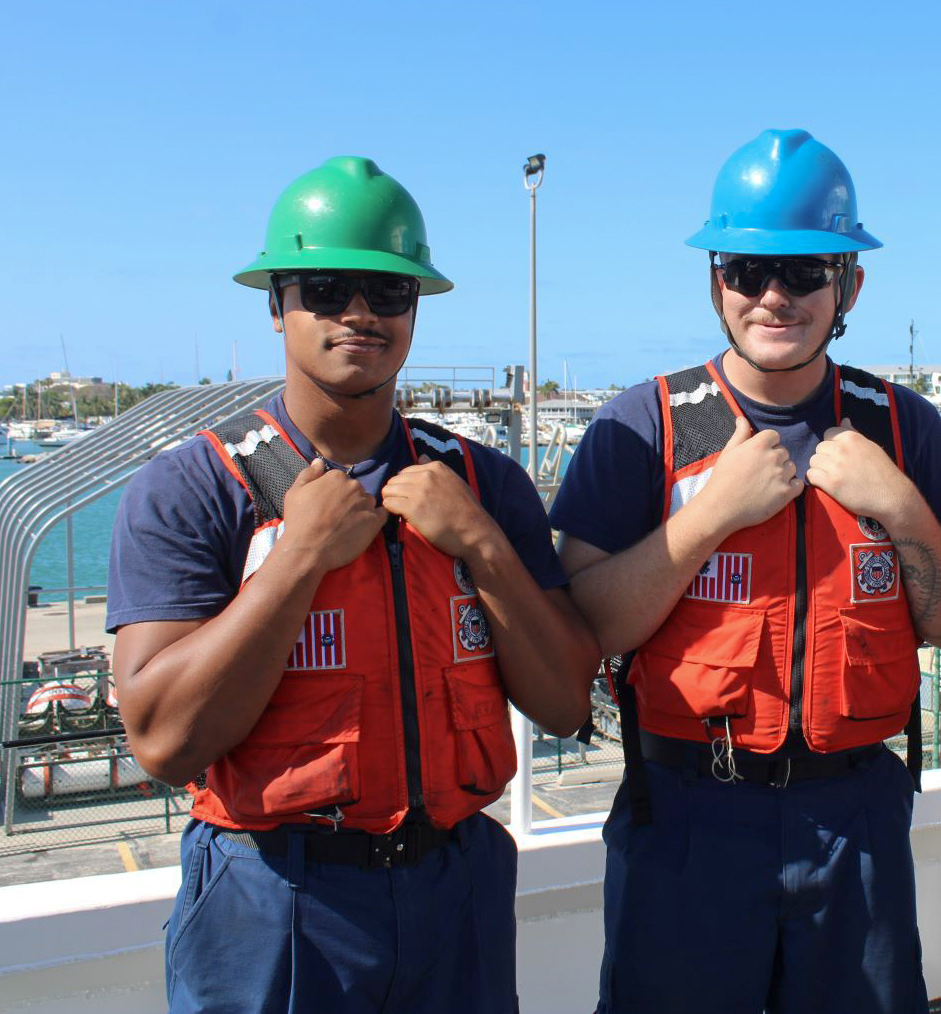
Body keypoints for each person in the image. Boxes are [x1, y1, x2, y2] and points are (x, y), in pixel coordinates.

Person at [107, 155, 600, 1014]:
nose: (361, 314)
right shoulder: (194, 489)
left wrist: (481, 543)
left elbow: (562, 703)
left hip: (456, 886)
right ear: (276, 304)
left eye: (390, 292)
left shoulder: (483, 486)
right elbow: (162, 740)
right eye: (328, 289)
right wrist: (298, 559)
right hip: (272, 898)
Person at [550, 129, 941, 1014]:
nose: (772, 297)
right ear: (714, 280)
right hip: (684, 811)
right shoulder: (641, 428)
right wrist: (712, 514)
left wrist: (900, 505)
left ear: (848, 285)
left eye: (803, 273)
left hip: (854, 817)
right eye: (746, 272)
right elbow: (589, 627)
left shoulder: (903, 430)